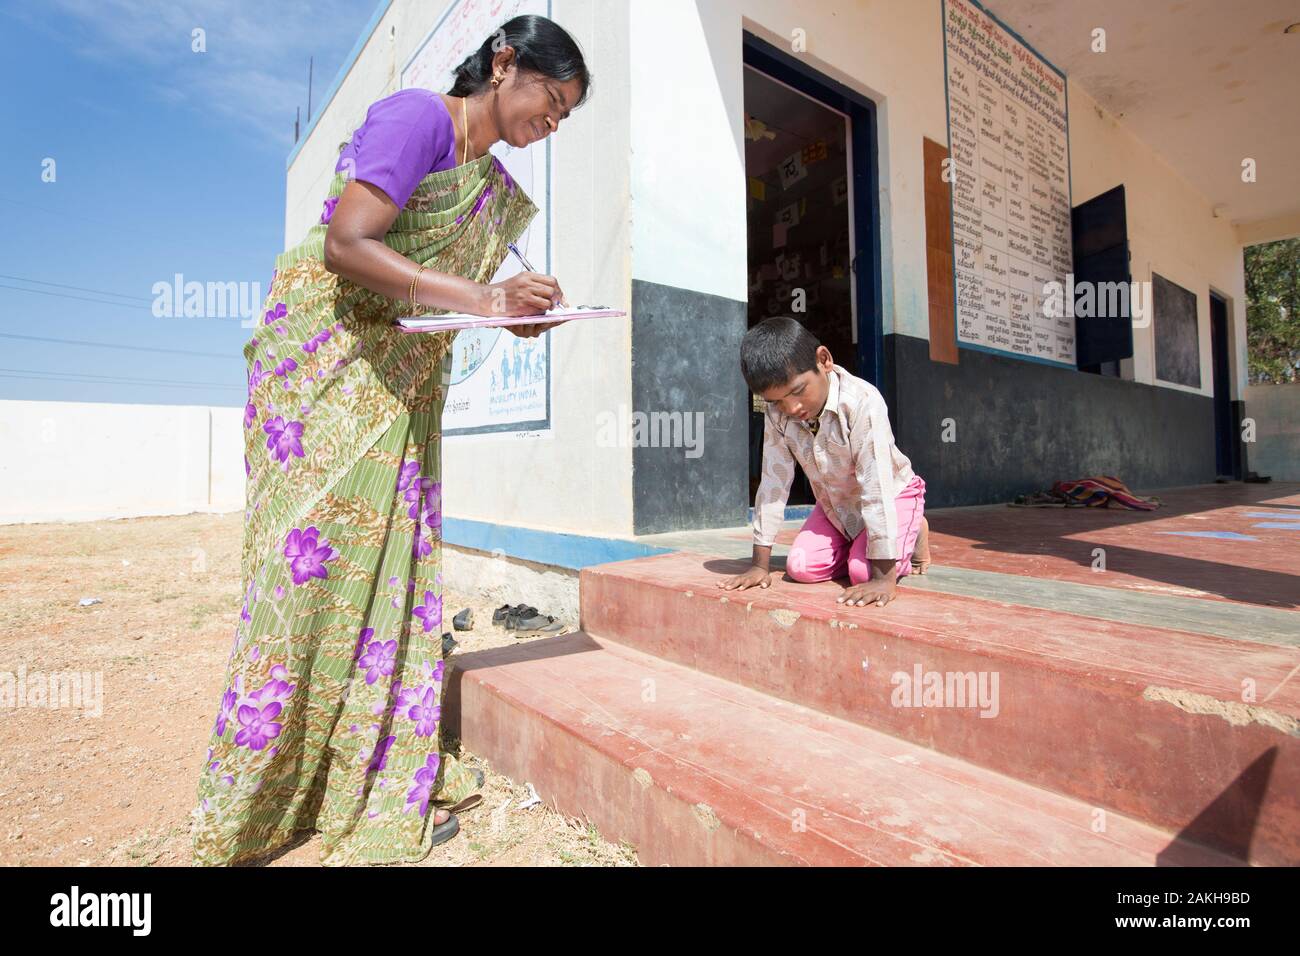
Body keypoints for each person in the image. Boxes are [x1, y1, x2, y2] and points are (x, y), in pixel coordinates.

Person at [190, 14, 591, 866]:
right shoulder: (416, 119)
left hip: (401, 382)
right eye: (551, 101)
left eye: (564, 118)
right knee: (306, 575)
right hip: (327, 372)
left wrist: (519, 314)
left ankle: (357, 780)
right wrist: (487, 299)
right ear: (504, 62)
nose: (550, 124)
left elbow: (440, 300)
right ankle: (256, 798)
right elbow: (347, 243)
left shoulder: (489, 183)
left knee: (389, 581)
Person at [719, 317, 930, 608]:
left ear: (824, 360)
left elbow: (875, 484)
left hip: (891, 496)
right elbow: (773, 482)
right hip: (838, 505)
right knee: (800, 567)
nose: (791, 408)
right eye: (776, 401)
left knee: (863, 572)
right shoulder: (777, 414)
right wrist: (759, 564)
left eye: (796, 391)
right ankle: (859, 543)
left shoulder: (862, 402)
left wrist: (883, 579)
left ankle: (914, 526)